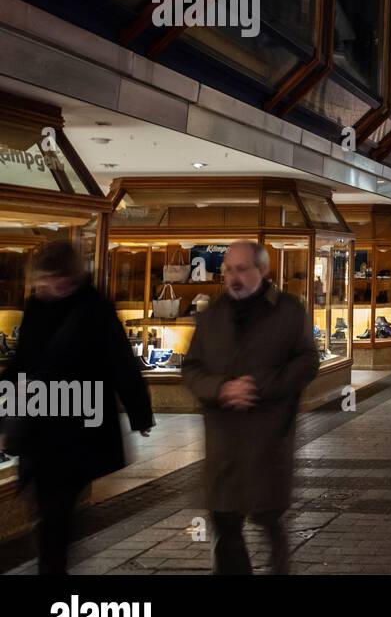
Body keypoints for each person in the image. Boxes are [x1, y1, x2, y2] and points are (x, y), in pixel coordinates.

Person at [0, 242, 153, 574]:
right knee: (44, 505)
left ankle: (52, 564)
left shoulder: (94, 309)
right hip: (39, 423)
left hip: (78, 427)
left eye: (52, 279)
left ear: (69, 276)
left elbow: (121, 363)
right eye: (41, 281)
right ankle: (50, 555)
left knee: (58, 510)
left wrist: (140, 412)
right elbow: (21, 363)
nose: (46, 287)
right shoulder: (36, 307)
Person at [182, 240, 319, 574]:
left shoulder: (287, 310)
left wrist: (259, 388)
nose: (234, 277)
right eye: (228, 270)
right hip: (224, 441)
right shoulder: (212, 315)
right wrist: (222, 389)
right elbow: (191, 369)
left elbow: (306, 361)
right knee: (225, 523)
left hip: (267, 436)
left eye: (242, 269)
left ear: (263, 270)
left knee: (268, 518)